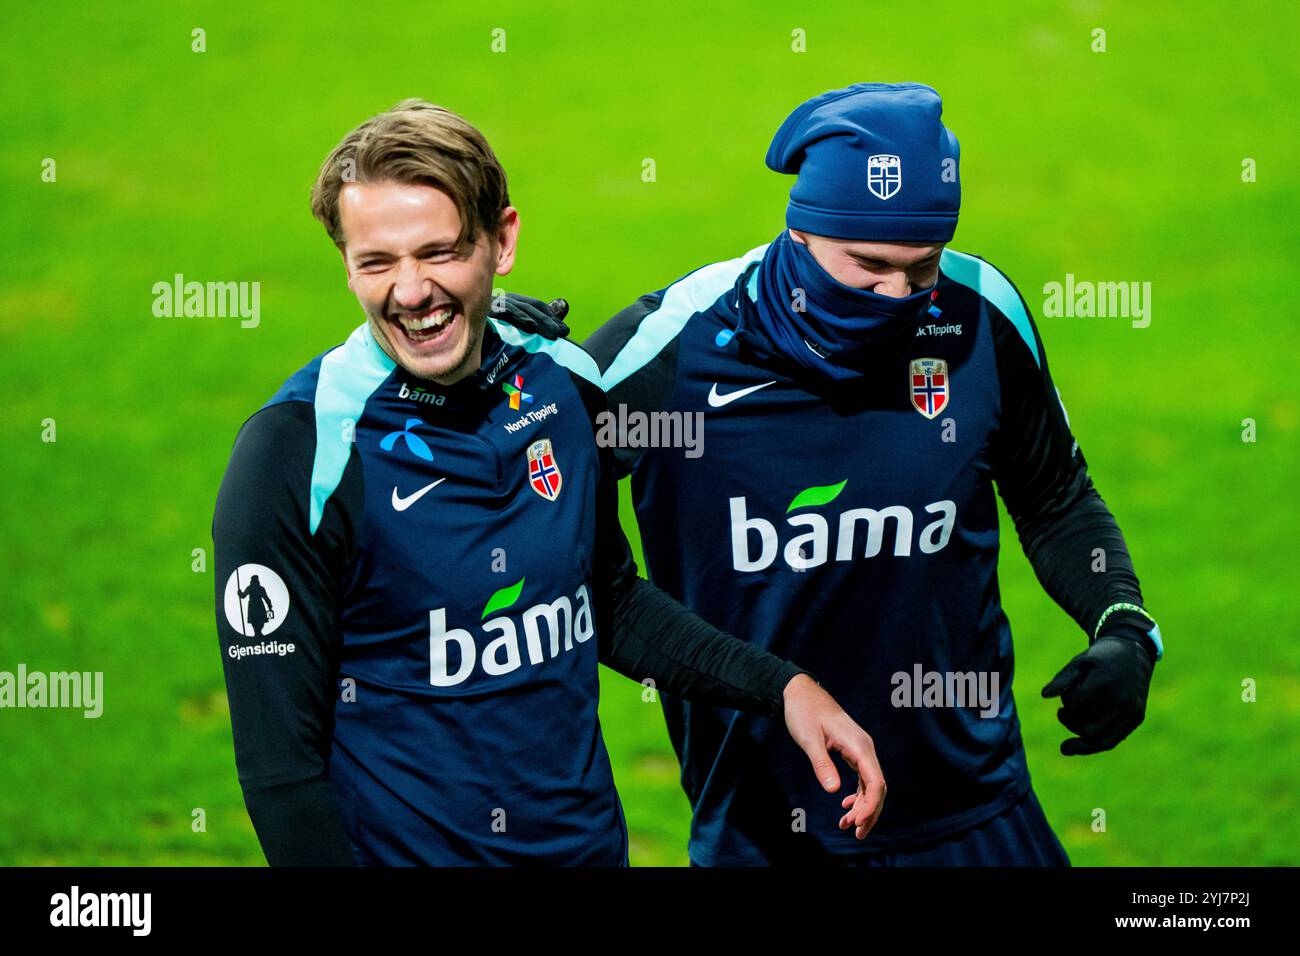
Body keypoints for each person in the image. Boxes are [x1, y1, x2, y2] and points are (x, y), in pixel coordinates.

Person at [212, 98, 885, 866]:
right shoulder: (297, 455)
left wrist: (784, 687)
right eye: (377, 262)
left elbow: (607, 597)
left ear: (501, 242)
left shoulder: (560, 382)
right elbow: (280, 766)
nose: (409, 292)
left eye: (439, 252)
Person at [583, 82, 1163, 866]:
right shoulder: (669, 353)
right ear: (800, 230)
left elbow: (1055, 493)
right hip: (772, 833)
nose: (897, 298)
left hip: (980, 812)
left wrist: (1122, 623)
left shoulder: (979, 314)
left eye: (920, 270)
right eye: (868, 267)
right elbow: (564, 554)